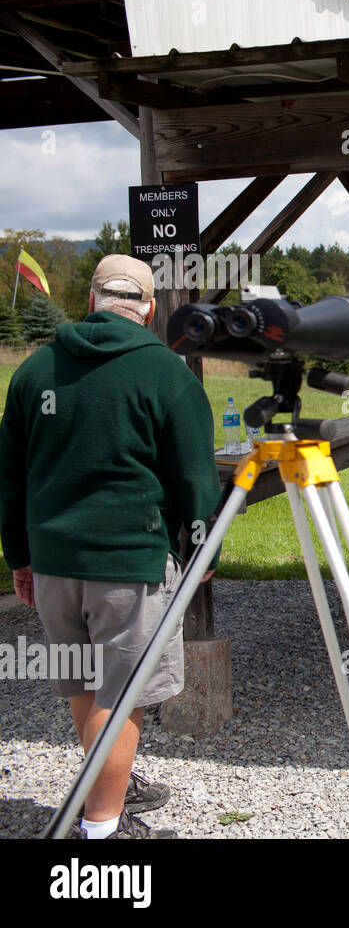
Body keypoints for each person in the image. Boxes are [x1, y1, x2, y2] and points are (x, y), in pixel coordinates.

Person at [0, 254, 222, 838]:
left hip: (53, 561)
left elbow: (11, 478)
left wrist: (18, 558)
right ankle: (102, 828)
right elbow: (197, 478)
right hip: (130, 561)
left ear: (92, 301)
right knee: (121, 694)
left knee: (83, 683)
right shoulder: (169, 373)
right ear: (149, 309)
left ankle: (110, 782)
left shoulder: (33, 370)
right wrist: (204, 552)